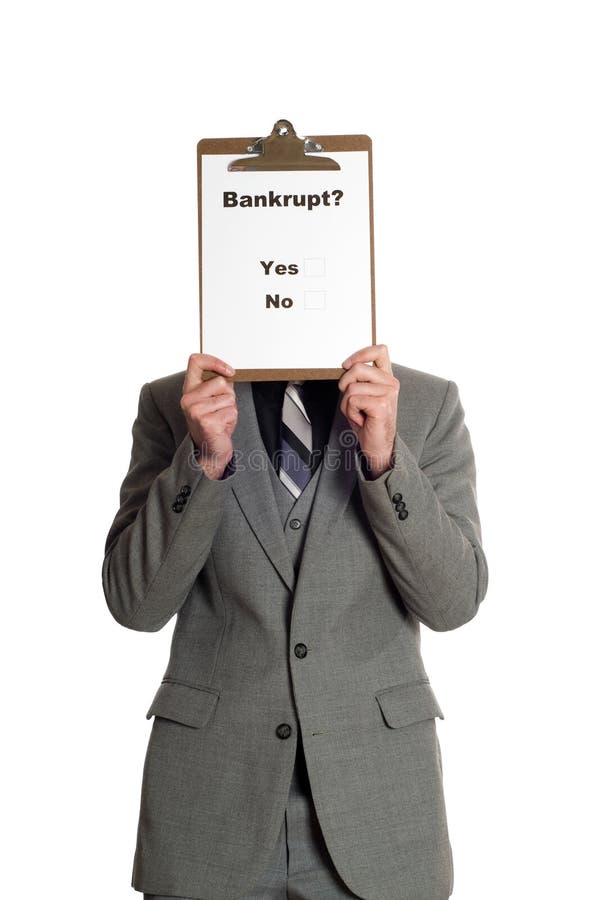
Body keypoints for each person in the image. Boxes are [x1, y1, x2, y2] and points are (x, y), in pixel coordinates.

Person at [102, 343, 488, 900]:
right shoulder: (175, 404)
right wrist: (203, 459)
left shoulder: (427, 403)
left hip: (379, 812)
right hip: (209, 809)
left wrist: (385, 460)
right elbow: (134, 604)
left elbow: (452, 603)